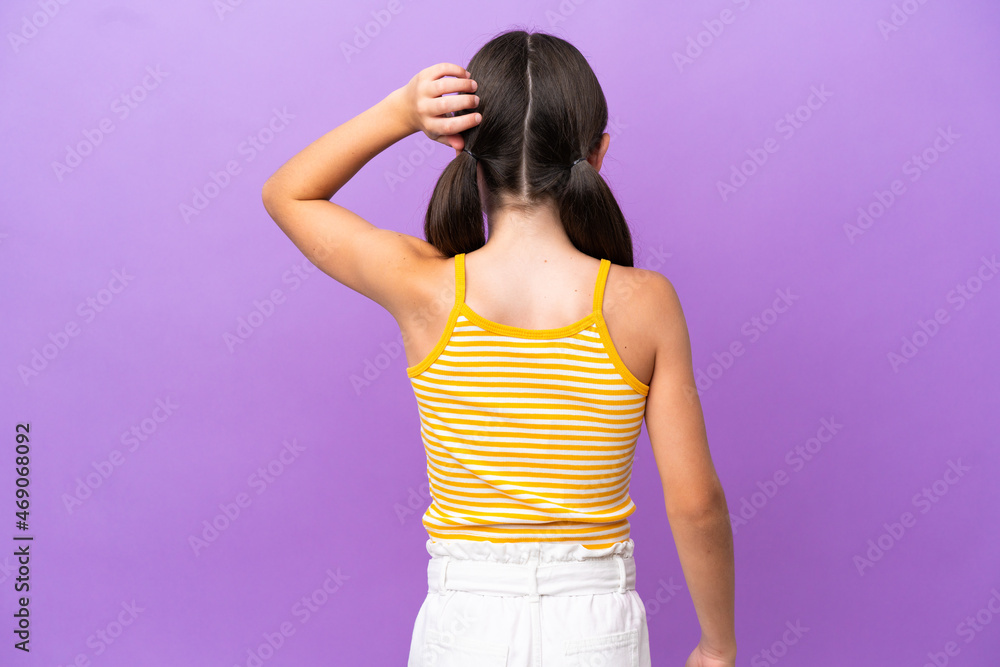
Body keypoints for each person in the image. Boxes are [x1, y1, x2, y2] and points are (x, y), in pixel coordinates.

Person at [261, 28, 735, 667]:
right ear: (597, 155)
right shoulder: (644, 302)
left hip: (466, 620)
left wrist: (400, 113)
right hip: (593, 622)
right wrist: (716, 645)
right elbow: (695, 503)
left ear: (464, 152)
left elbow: (289, 193)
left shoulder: (424, 288)